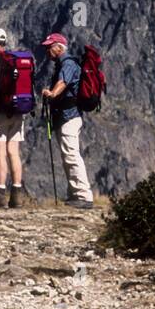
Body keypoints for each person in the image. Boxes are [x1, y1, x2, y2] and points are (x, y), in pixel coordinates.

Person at [41, 32, 95, 209]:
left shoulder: (68, 63)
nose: (47, 50)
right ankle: (75, 194)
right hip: (66, 116)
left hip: (69, 116)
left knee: (71, 154)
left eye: (50, 47)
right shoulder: (62, 64)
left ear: (59, 47)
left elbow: (63, 82)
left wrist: (52, 93)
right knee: (68, 155)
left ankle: (83, 195)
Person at [0, 27, 26, 208]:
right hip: (17, 111)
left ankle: (0, 195)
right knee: (14, 153)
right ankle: (17, 195)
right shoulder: (16, 61)